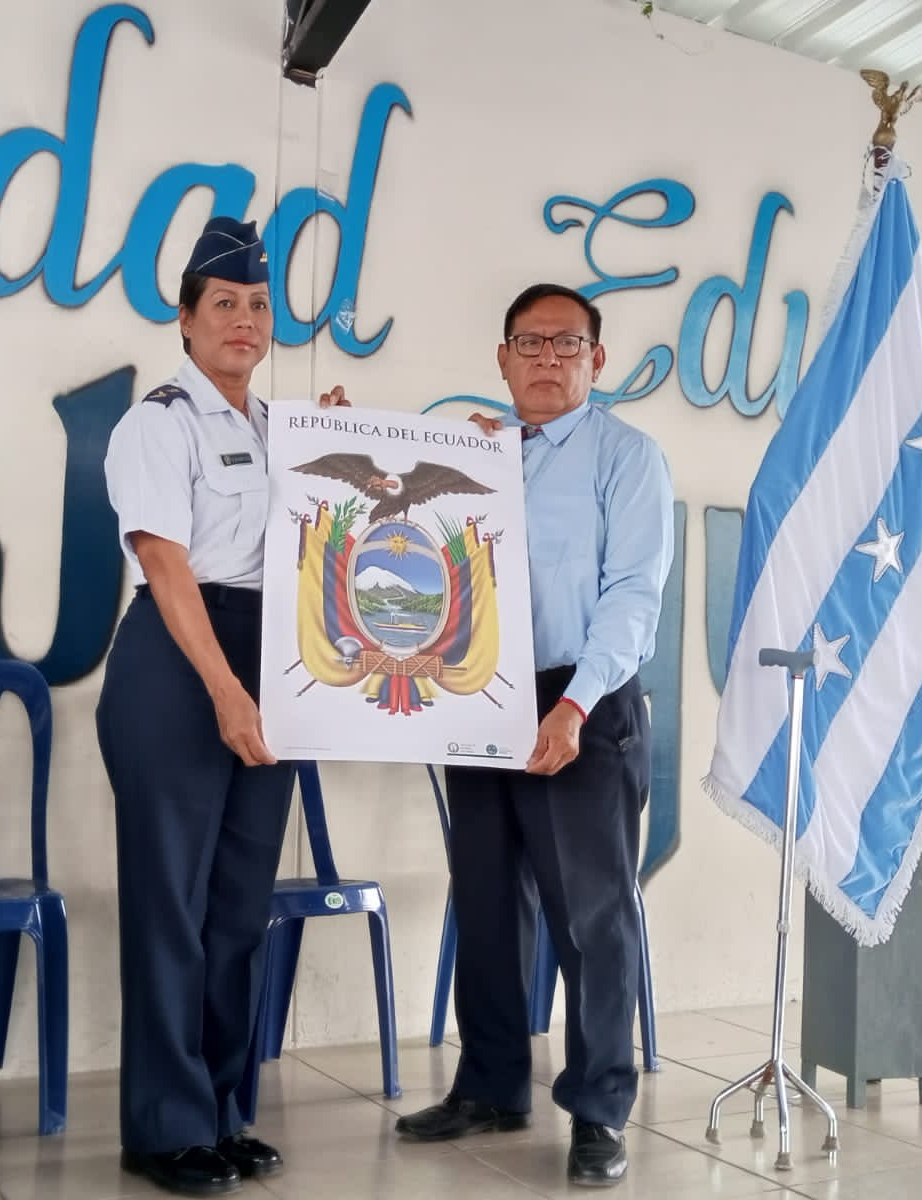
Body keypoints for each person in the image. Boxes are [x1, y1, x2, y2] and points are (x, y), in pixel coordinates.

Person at [393, 284, 672, 1187]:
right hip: (478, 696)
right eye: (529, 342)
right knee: (483, 897)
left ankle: (597, 1110)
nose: (547, 358)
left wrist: (575, 706)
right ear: (502, 358)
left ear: (598, 358)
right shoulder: (472, 454)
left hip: (582, 698)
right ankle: (491, 1085)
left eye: (567, 344)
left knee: (591, 914)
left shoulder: (627, 458)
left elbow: (633, 595)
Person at [97, 216, 347, 1198]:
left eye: (255, 306)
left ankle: (222, 1110)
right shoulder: (158, 420)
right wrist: (226, 688)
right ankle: (162, 1128)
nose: (243, 322)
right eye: (223, 306)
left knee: (239, 906)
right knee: (173, 905)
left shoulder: (275, 426)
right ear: (187, 322)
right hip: (180, 660)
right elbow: (165, 562)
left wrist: (341, 434)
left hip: (269, 657)